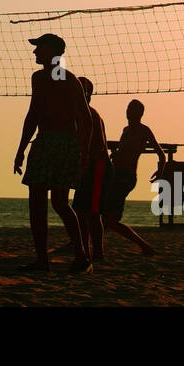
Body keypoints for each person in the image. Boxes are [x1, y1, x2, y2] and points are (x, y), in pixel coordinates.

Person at [14, 33, 95, 273]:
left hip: (63, 143)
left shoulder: (66, 78)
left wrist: (83, 152)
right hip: (45, 142)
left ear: (51, 50)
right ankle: (43, 260)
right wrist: (21, 148)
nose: (35, 52)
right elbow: (33, 115)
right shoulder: (40, 77)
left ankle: (81, 256)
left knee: (59, 203)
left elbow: (86, 119)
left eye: (39, 47)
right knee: (40, 202)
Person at [97, 98, 163, 256]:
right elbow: (124, 151)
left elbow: (161, 154)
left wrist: (160, 171)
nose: (128, 112)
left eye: (131, 109)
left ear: (139, 113)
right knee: (102, 214)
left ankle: (145, 246)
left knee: (110, 219)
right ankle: (90, 246)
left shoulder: (143, 130)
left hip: (126, 177)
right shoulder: (125, 130)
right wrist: (115, 156)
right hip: (116, 175)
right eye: (127, 109)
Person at [71, 77, 113, 259]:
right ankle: (86, 251)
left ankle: (98, 253)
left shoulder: (90, 114)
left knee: (93, 213)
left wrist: (83, 157)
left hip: (98, 166)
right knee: (80, 210)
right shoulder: (79, 112)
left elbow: (99, 147)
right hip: (88, 166)